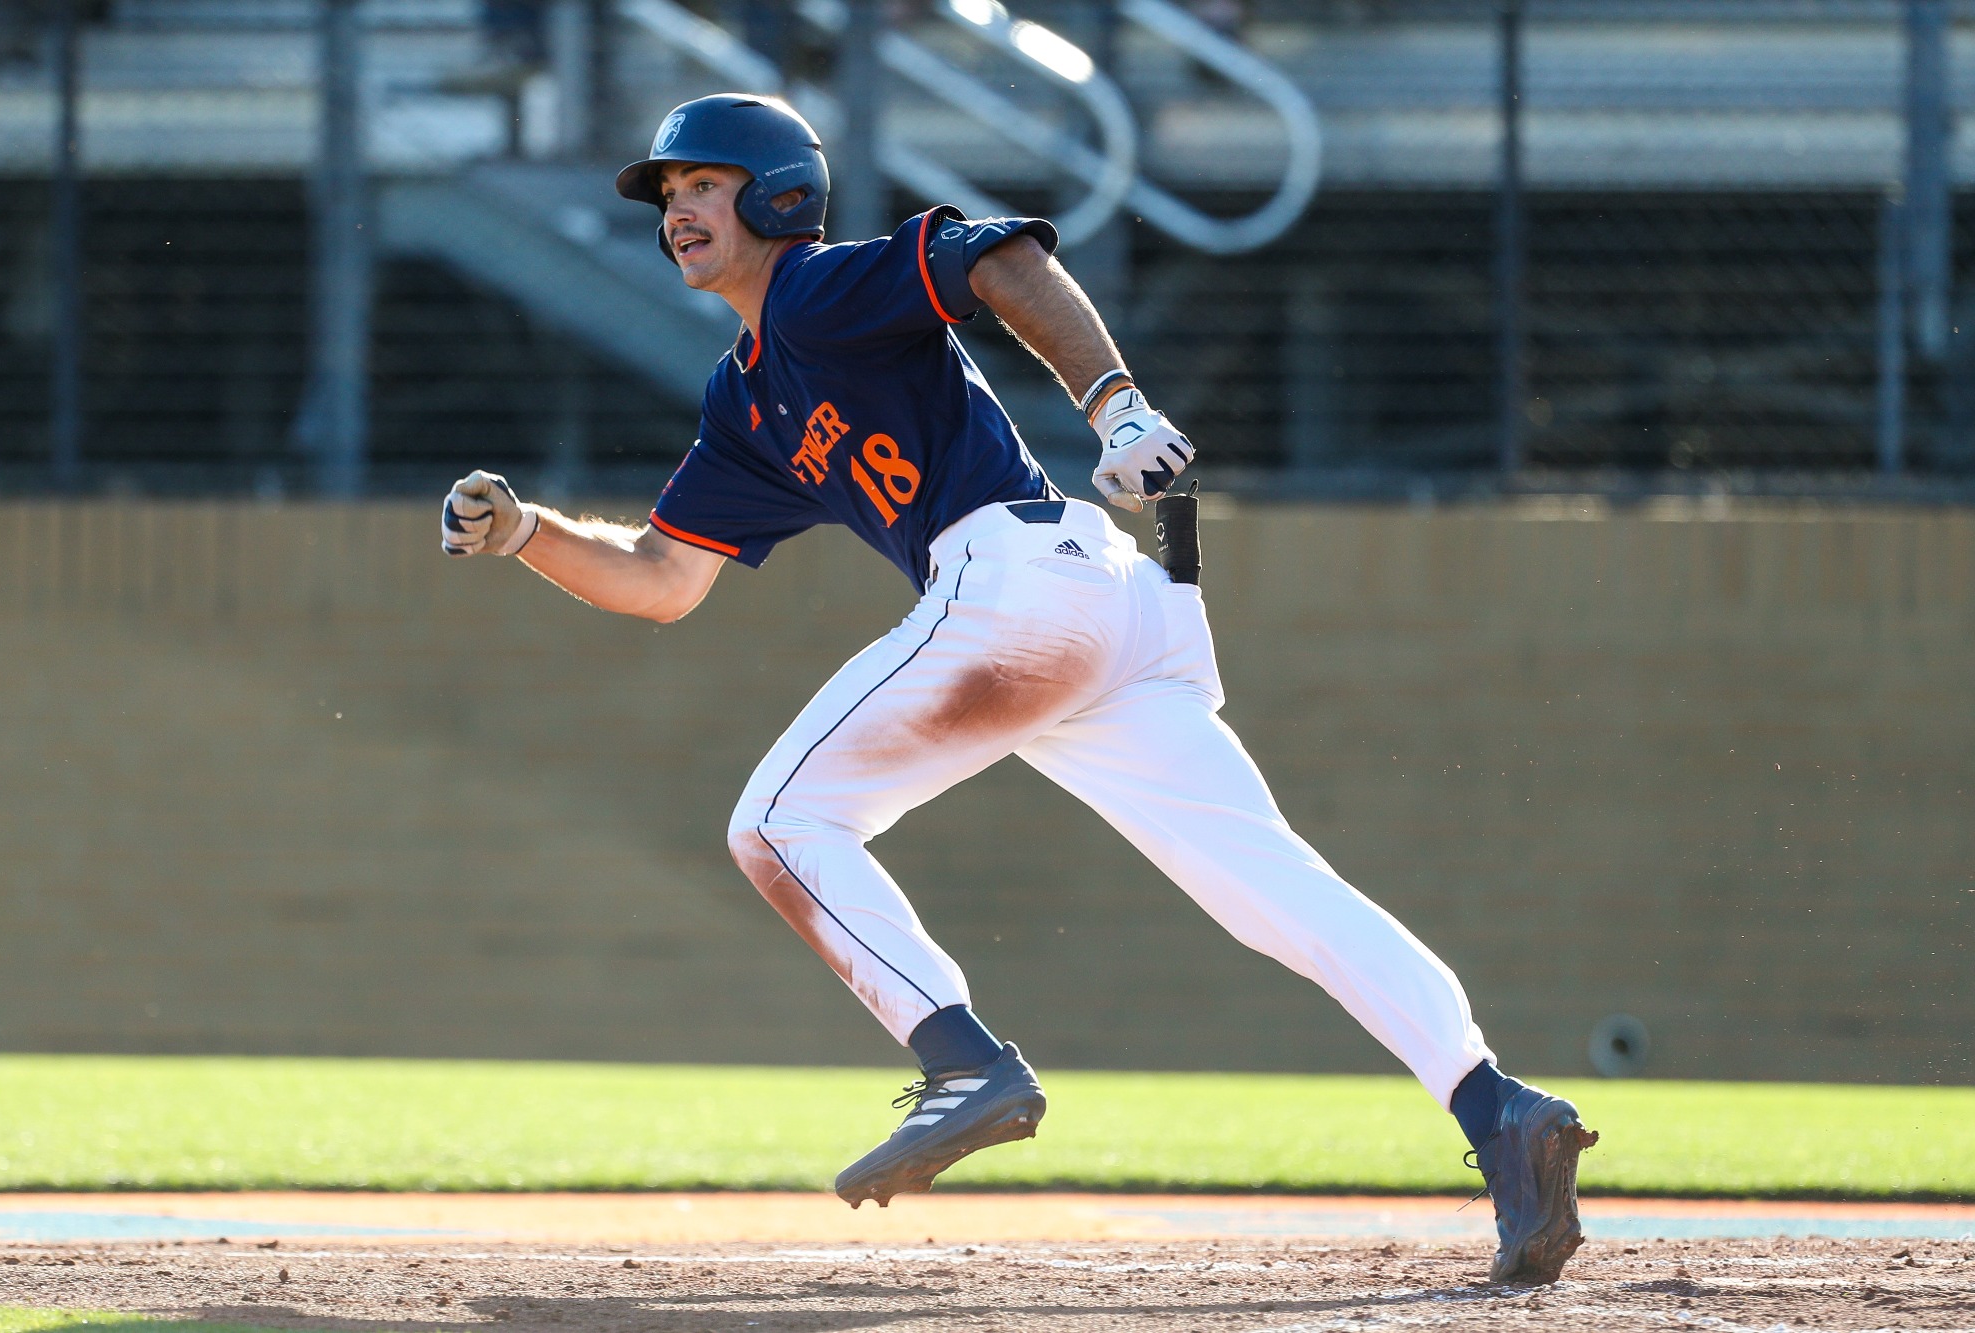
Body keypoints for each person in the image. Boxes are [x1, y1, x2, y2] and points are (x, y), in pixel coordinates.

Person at [441, 93, 1597, 1285]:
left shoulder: (813, 288)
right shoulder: (747, 400)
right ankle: (1495, 1106)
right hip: (1108, 605)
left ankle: (963, 1059)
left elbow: (999, 256)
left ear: (780, 193)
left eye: (703, 183)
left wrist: (1117, 405)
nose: (677, 208)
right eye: (667, 193)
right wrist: (528, 531)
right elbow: (661, 580)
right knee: (1275, 890)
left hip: (1016, 579)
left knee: (778, 821)